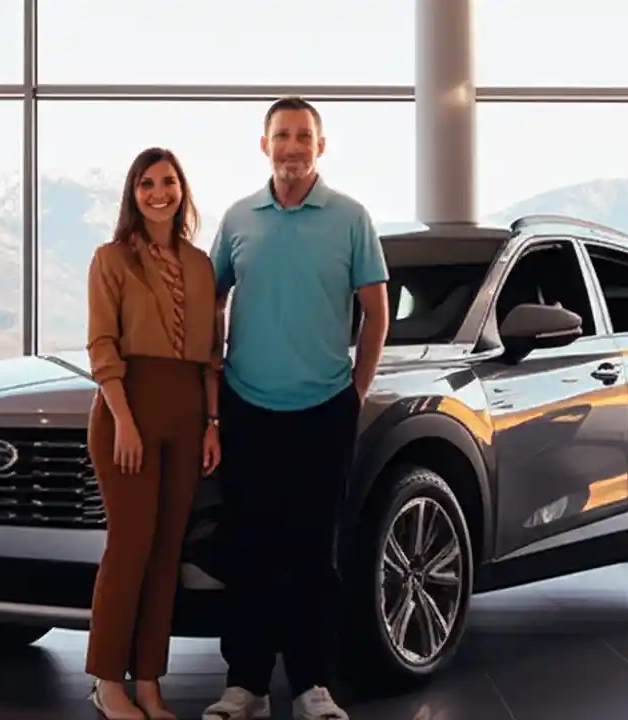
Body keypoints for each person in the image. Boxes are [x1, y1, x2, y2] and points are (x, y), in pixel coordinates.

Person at [202, 97, 390, 720]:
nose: (291, 145)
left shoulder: (351, 218)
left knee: (315, 554)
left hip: (323, 410)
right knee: (250, 548)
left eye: (302, 135)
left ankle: (313, 685)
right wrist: (212, 397)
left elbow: (376, 310)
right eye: (281, 135)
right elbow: (212, 305)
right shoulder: (236, 220)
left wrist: (356, 390)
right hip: (246, 408)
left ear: (320, 145)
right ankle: (246, 687)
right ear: (264, 146)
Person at [84, 146, 224, 720]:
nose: (158, 192)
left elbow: (210, 356)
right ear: (132, 194)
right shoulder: (111, 259)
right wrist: (123, 419)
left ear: (182, 191)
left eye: (168, 182)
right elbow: (101, 345)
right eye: (146, 183)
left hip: (188, 413)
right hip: (129, 409)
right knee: (129, 547)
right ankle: (105, 680)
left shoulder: (200, 264)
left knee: (167, 553)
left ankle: (148, 682)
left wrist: (212, 424)